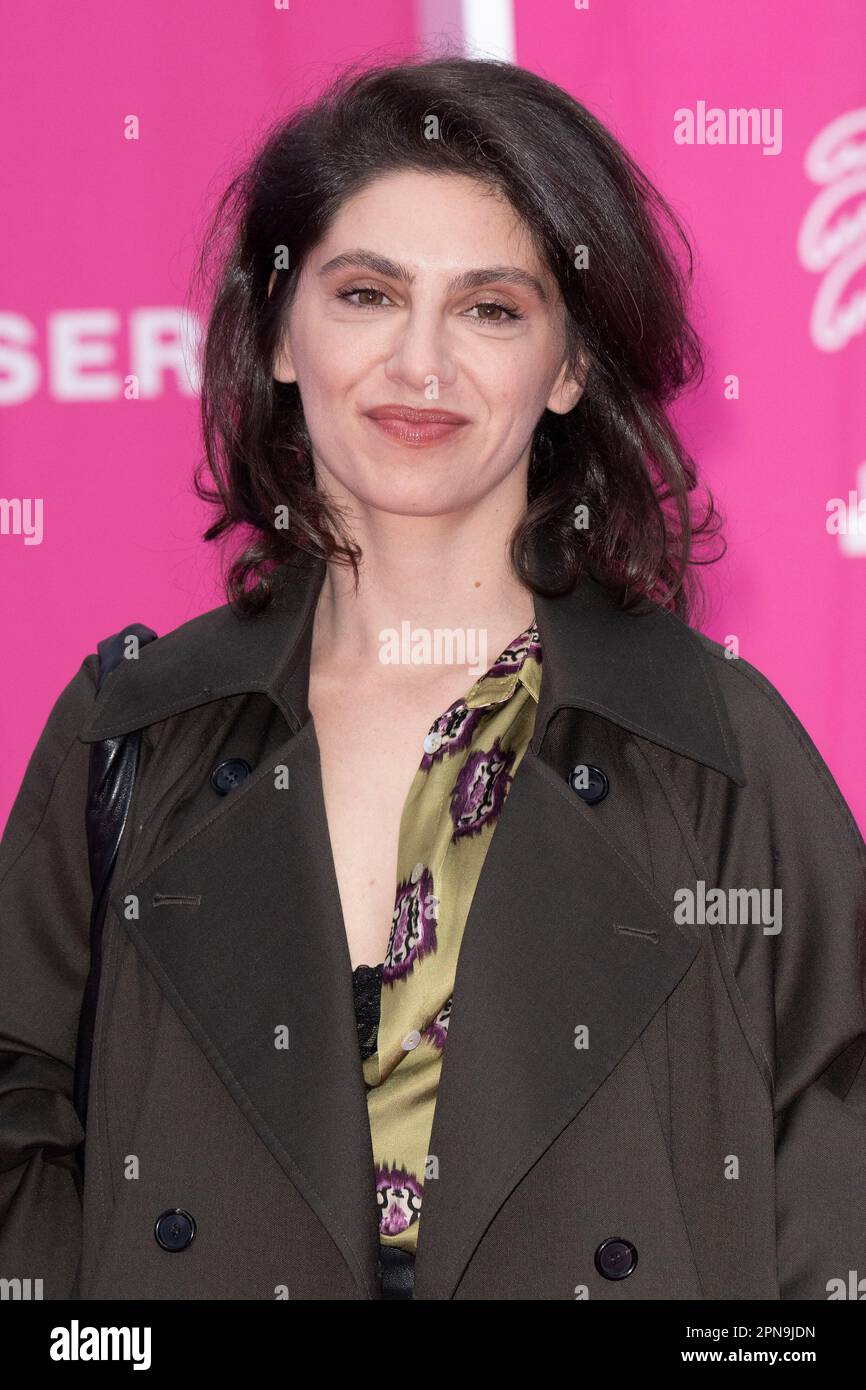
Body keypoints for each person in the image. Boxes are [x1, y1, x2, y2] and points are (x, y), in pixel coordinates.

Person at [1, 54, 865, 1302]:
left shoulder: (714, 749)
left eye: (490, 309)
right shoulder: (131, 730)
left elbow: (832, 1167)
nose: (420, 365)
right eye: (365, 293)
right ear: (282, 333)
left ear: (566, 367)